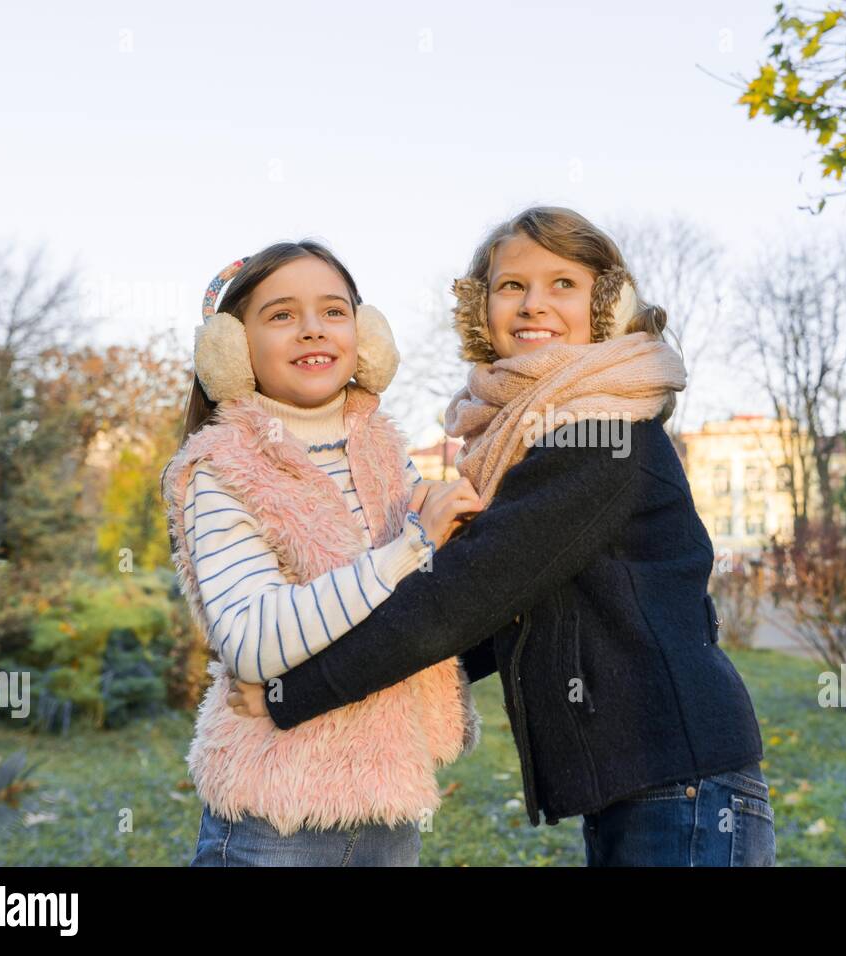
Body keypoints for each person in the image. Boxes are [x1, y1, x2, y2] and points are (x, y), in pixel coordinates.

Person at [230, 208, 776, 867]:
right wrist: (368, 689)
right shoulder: (535, 432)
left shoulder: (601, 434)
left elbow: (469, 591)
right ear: (482, 306)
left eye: (563, 285)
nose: (532, 304)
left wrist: (299, 690)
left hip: (680, 781)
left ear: (605, 305)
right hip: (649, 782)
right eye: (511, 286)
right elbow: (504, 616)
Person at [161, 240, 483, 865]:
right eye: (281, 315)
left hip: (389, 802)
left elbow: (442, 598)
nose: (312, 329)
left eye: (333, 311)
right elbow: (254, 639)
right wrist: (408, 550)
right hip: (275, 814)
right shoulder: (220, 468)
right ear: (231, 349)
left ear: (366, 336)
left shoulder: (382, 453)